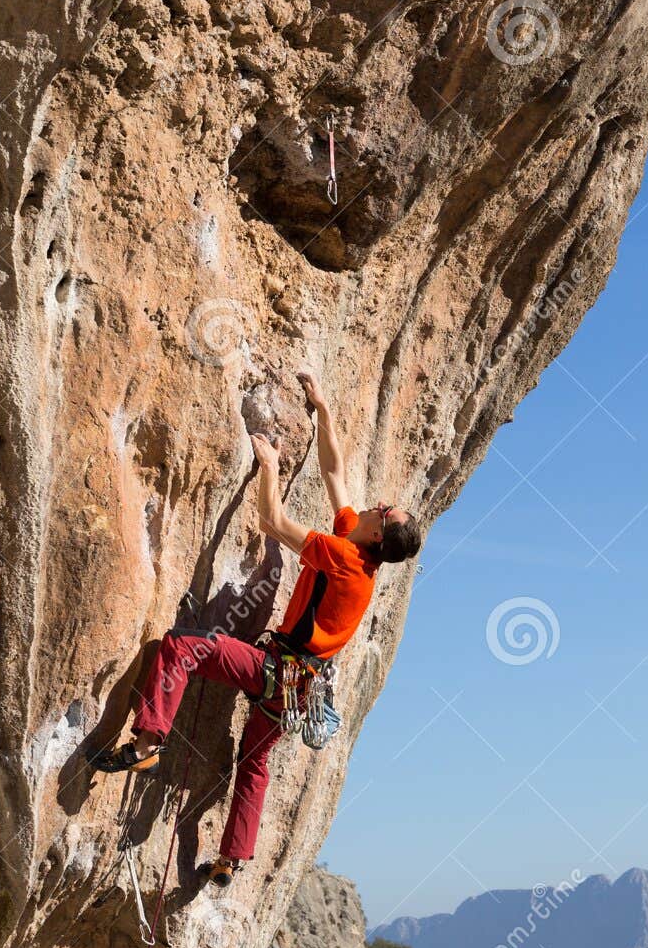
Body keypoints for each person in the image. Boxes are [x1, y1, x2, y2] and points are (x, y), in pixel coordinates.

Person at [92, 372, 421, 886]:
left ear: (378, 531)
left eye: (381, 510)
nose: (374, 504)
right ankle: (232, 857)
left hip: (275, 669)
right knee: (254, 763)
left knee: (182, 647)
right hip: (298, 689)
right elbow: (334, 470)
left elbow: (271, 521)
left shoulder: (343, 556)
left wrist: (268, 466)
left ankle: (147, 745)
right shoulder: (358, 551)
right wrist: (323, 409)